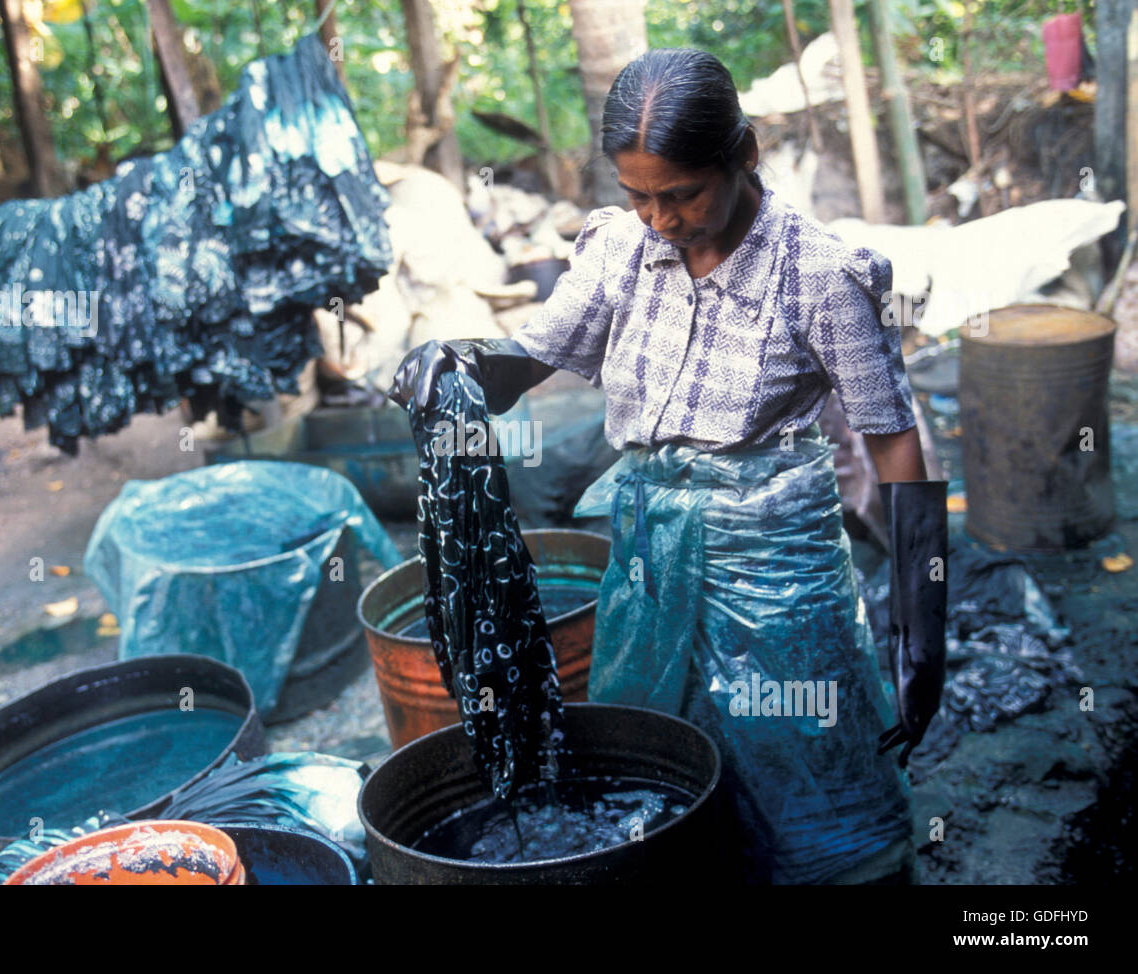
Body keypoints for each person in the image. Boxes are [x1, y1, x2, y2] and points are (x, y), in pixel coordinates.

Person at [389, 48, 947, 885]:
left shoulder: (819, 274)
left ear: (745, 154)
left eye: (681, 193)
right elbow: (527, 359)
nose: (659, 218)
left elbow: (893, 438)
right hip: (651, 558)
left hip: (774, 573)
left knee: (804, 757)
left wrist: (920, 625)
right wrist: (455, 362)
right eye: (638, 195)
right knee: (662, 761)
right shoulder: (620, 249)